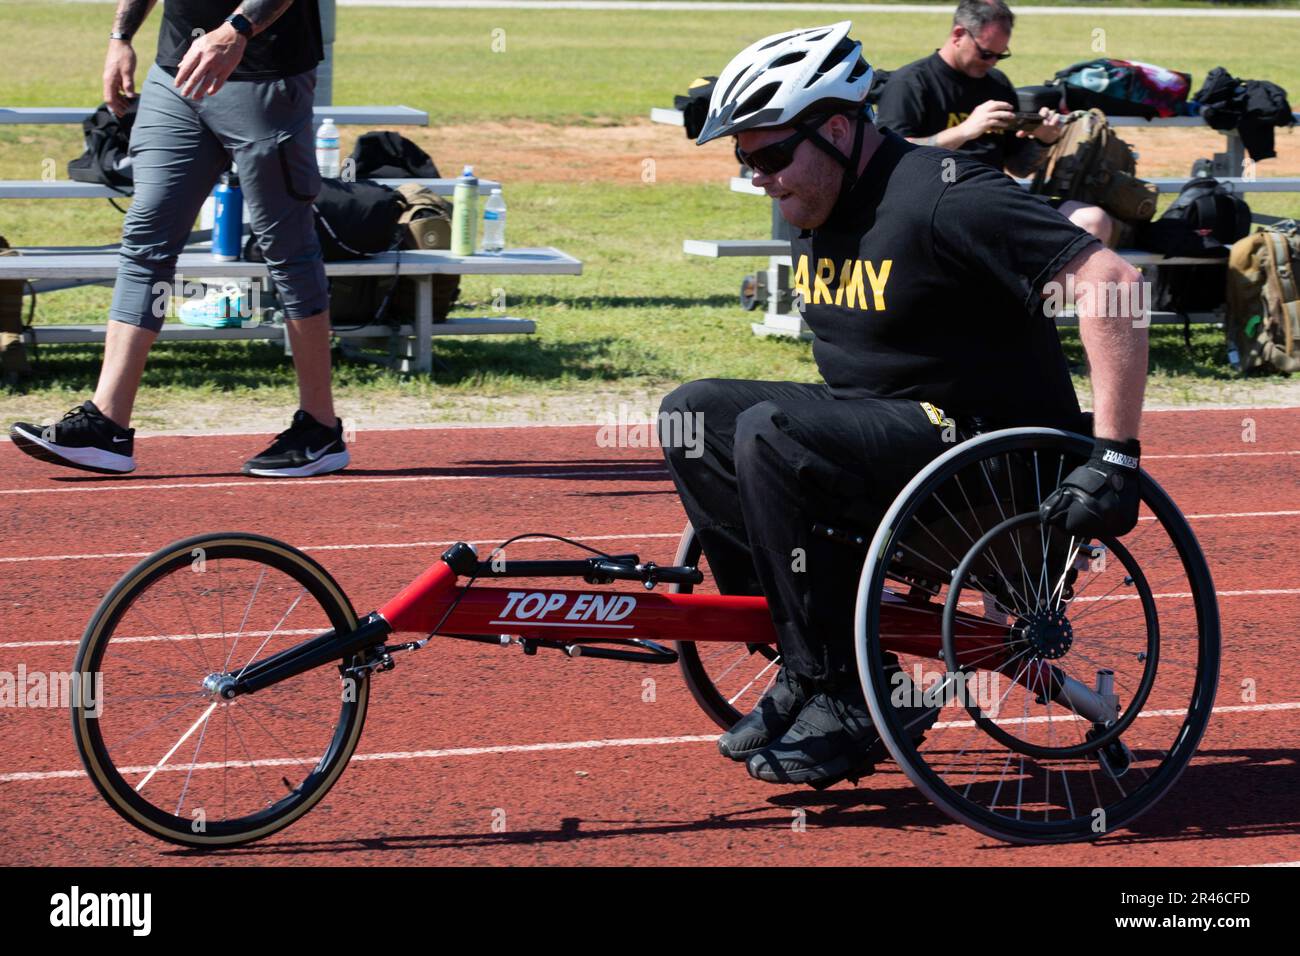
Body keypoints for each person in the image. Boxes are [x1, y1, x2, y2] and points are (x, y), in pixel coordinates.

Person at [661, 20, 1147, 787]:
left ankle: (849, 698)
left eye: (773, 154)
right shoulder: (820, 201)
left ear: (841, 127)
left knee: (771, 431)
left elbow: (1111, 282)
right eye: (745, 159)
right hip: (896, 449)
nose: (761, 177)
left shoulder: (944, 198)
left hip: (991, 474)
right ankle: (813, 666)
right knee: (694, 413)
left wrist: (1115, 456)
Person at [9, 0, 348, 478]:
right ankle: (107, 423)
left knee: (288, 250)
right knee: (145, 239)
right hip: (176, 72)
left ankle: (320, 428)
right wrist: (120, 38)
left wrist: (237, 29)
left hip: (266, 74)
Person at [875, 0, 1119, 246]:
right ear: (959, 34)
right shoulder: (911, 82)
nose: (992, 62)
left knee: (1092, 221)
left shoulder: (997, 84)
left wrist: (1044, 139)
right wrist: (964, 131)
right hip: (940, 199)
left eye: (1000, 55)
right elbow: (892, 155)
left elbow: (1020, 168)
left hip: (998, 199)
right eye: (986, 53)